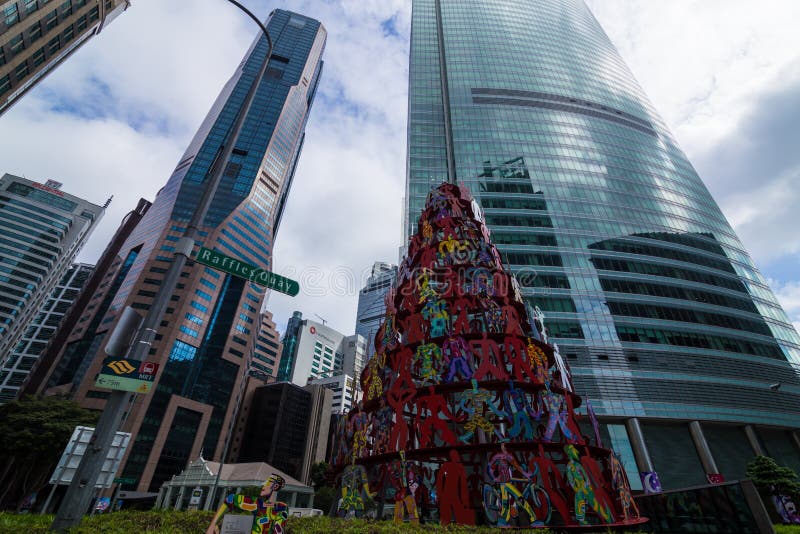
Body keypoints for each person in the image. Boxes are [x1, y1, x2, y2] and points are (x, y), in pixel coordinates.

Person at [206, 474, 287, 534]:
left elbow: (279, 529)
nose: (263, 486)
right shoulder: (256, 503)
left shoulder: (281, 508)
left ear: (275, 486)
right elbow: (230, 499)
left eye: (267, 483)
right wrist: (213, 525)